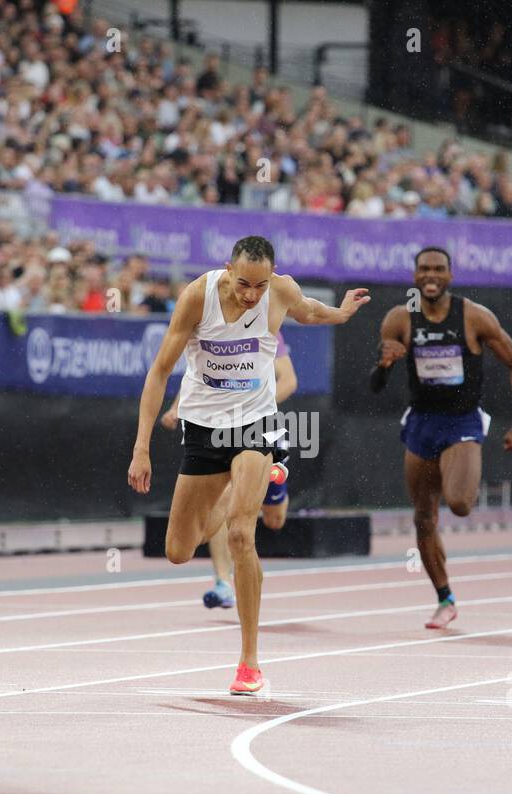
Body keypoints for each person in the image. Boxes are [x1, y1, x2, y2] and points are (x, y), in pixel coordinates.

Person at [128, 236, 370, 695]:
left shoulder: (279, 291)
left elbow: (309, 311)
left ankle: (249, 662)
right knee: (180, 549)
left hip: (255, 423)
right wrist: (141, 448)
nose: (251, 295)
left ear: (272, 278)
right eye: (243, 285)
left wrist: (340, 312)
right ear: (227, 270)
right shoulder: (198, 296)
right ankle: (235, 487)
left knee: (242, 534)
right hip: (202, 427)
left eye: (260, 286)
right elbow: (160, 371)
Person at [371, 246, 512, 629]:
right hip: (422, 423)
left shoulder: (473, 316)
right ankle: (445, 597)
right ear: (414, 276)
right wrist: (384, 365)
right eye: (424, 269)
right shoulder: (399, 319)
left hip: (461, 422)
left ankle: (459, 471)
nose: (431, 275)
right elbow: (375, 385)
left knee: (458, 503)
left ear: (450, 275)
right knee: (424, 518)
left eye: (439, 269)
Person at [159, 330, 299, 609]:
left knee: (274, 520)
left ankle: (274, 484)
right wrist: (176, 408)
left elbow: (289, 381)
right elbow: (195, 376)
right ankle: (224, 581)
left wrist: (255, 404)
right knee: (225, 498)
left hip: (258, 425)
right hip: (217, 428)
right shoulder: (208, 327)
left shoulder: (266, 326)